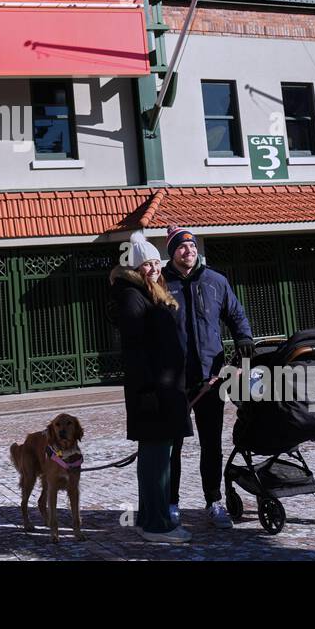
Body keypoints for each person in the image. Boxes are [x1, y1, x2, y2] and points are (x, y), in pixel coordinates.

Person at [163, 225, 253, 529]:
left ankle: (213, 501)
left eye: (191, 246)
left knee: (211, 443)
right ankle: (170, 503)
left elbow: (236, 315)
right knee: (172, 445)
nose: (188, 251)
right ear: (172, 253)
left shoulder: (215, 281)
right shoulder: (161, 281)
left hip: (210, 378)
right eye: (181, 247)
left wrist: (244, 340)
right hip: (174, 380)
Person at [108, 231, 193, 544]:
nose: (155, 268)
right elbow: (136, 349)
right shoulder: (133, 297)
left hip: (166, 389)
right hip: (154, 392)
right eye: (147, 263)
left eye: (157, 262)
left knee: (157, 457)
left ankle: (149, 519)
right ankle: (158, 525)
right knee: (156, 461)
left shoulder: (151, 292)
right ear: (135, 267)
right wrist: (147, 391)